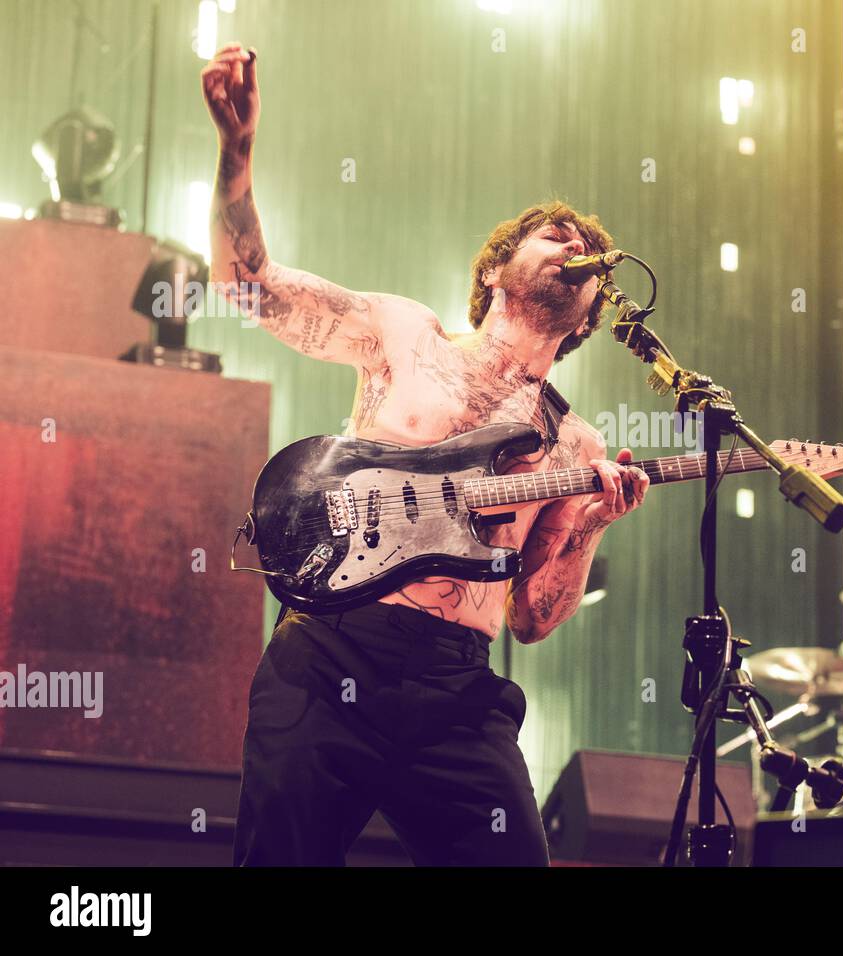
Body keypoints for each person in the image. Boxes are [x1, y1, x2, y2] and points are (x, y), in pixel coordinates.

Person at [203, 43, 650, 865]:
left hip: (456, 687)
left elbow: (533, 617)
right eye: (555, 232)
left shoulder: (575, 443)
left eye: (586, 245)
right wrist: (236, 155)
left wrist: (590, 524)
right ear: (495, 268)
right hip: (331, 648)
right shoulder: (404, 333)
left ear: (591, 312)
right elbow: (248, 287)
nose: (574, 240)